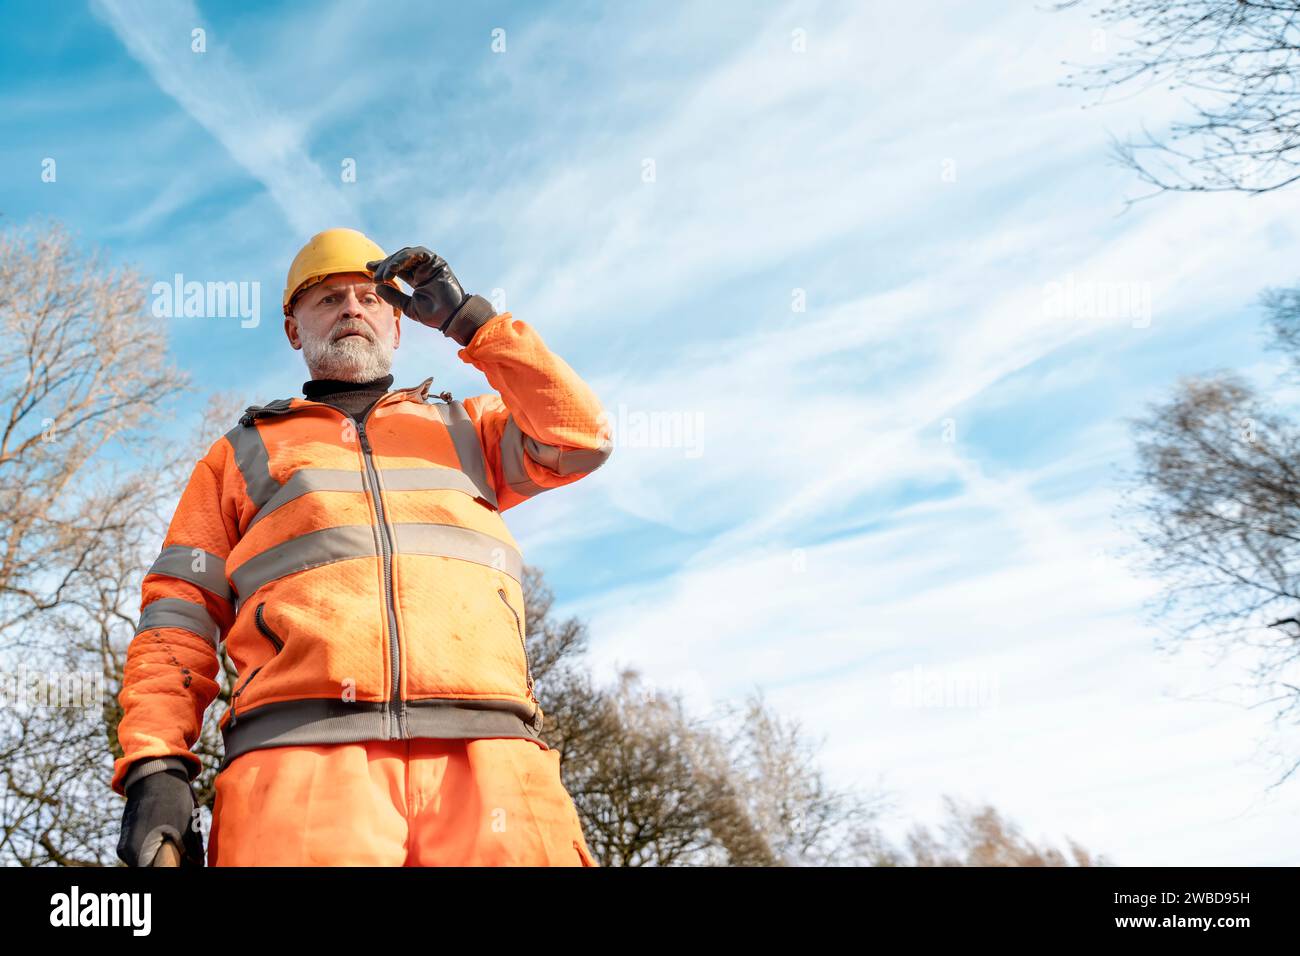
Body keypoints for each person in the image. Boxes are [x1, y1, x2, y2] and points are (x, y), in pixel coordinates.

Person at [113, 228, 611, 866]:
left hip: (493, 756)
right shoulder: (238, 456)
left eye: (371, 298)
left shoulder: (471, 428)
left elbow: (579, 438)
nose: (352, 308)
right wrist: (156, 763)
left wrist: (469, 320)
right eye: (326, 299)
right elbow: (177, 613)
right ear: (294, 329)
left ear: (399, 325)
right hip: (298, 764)